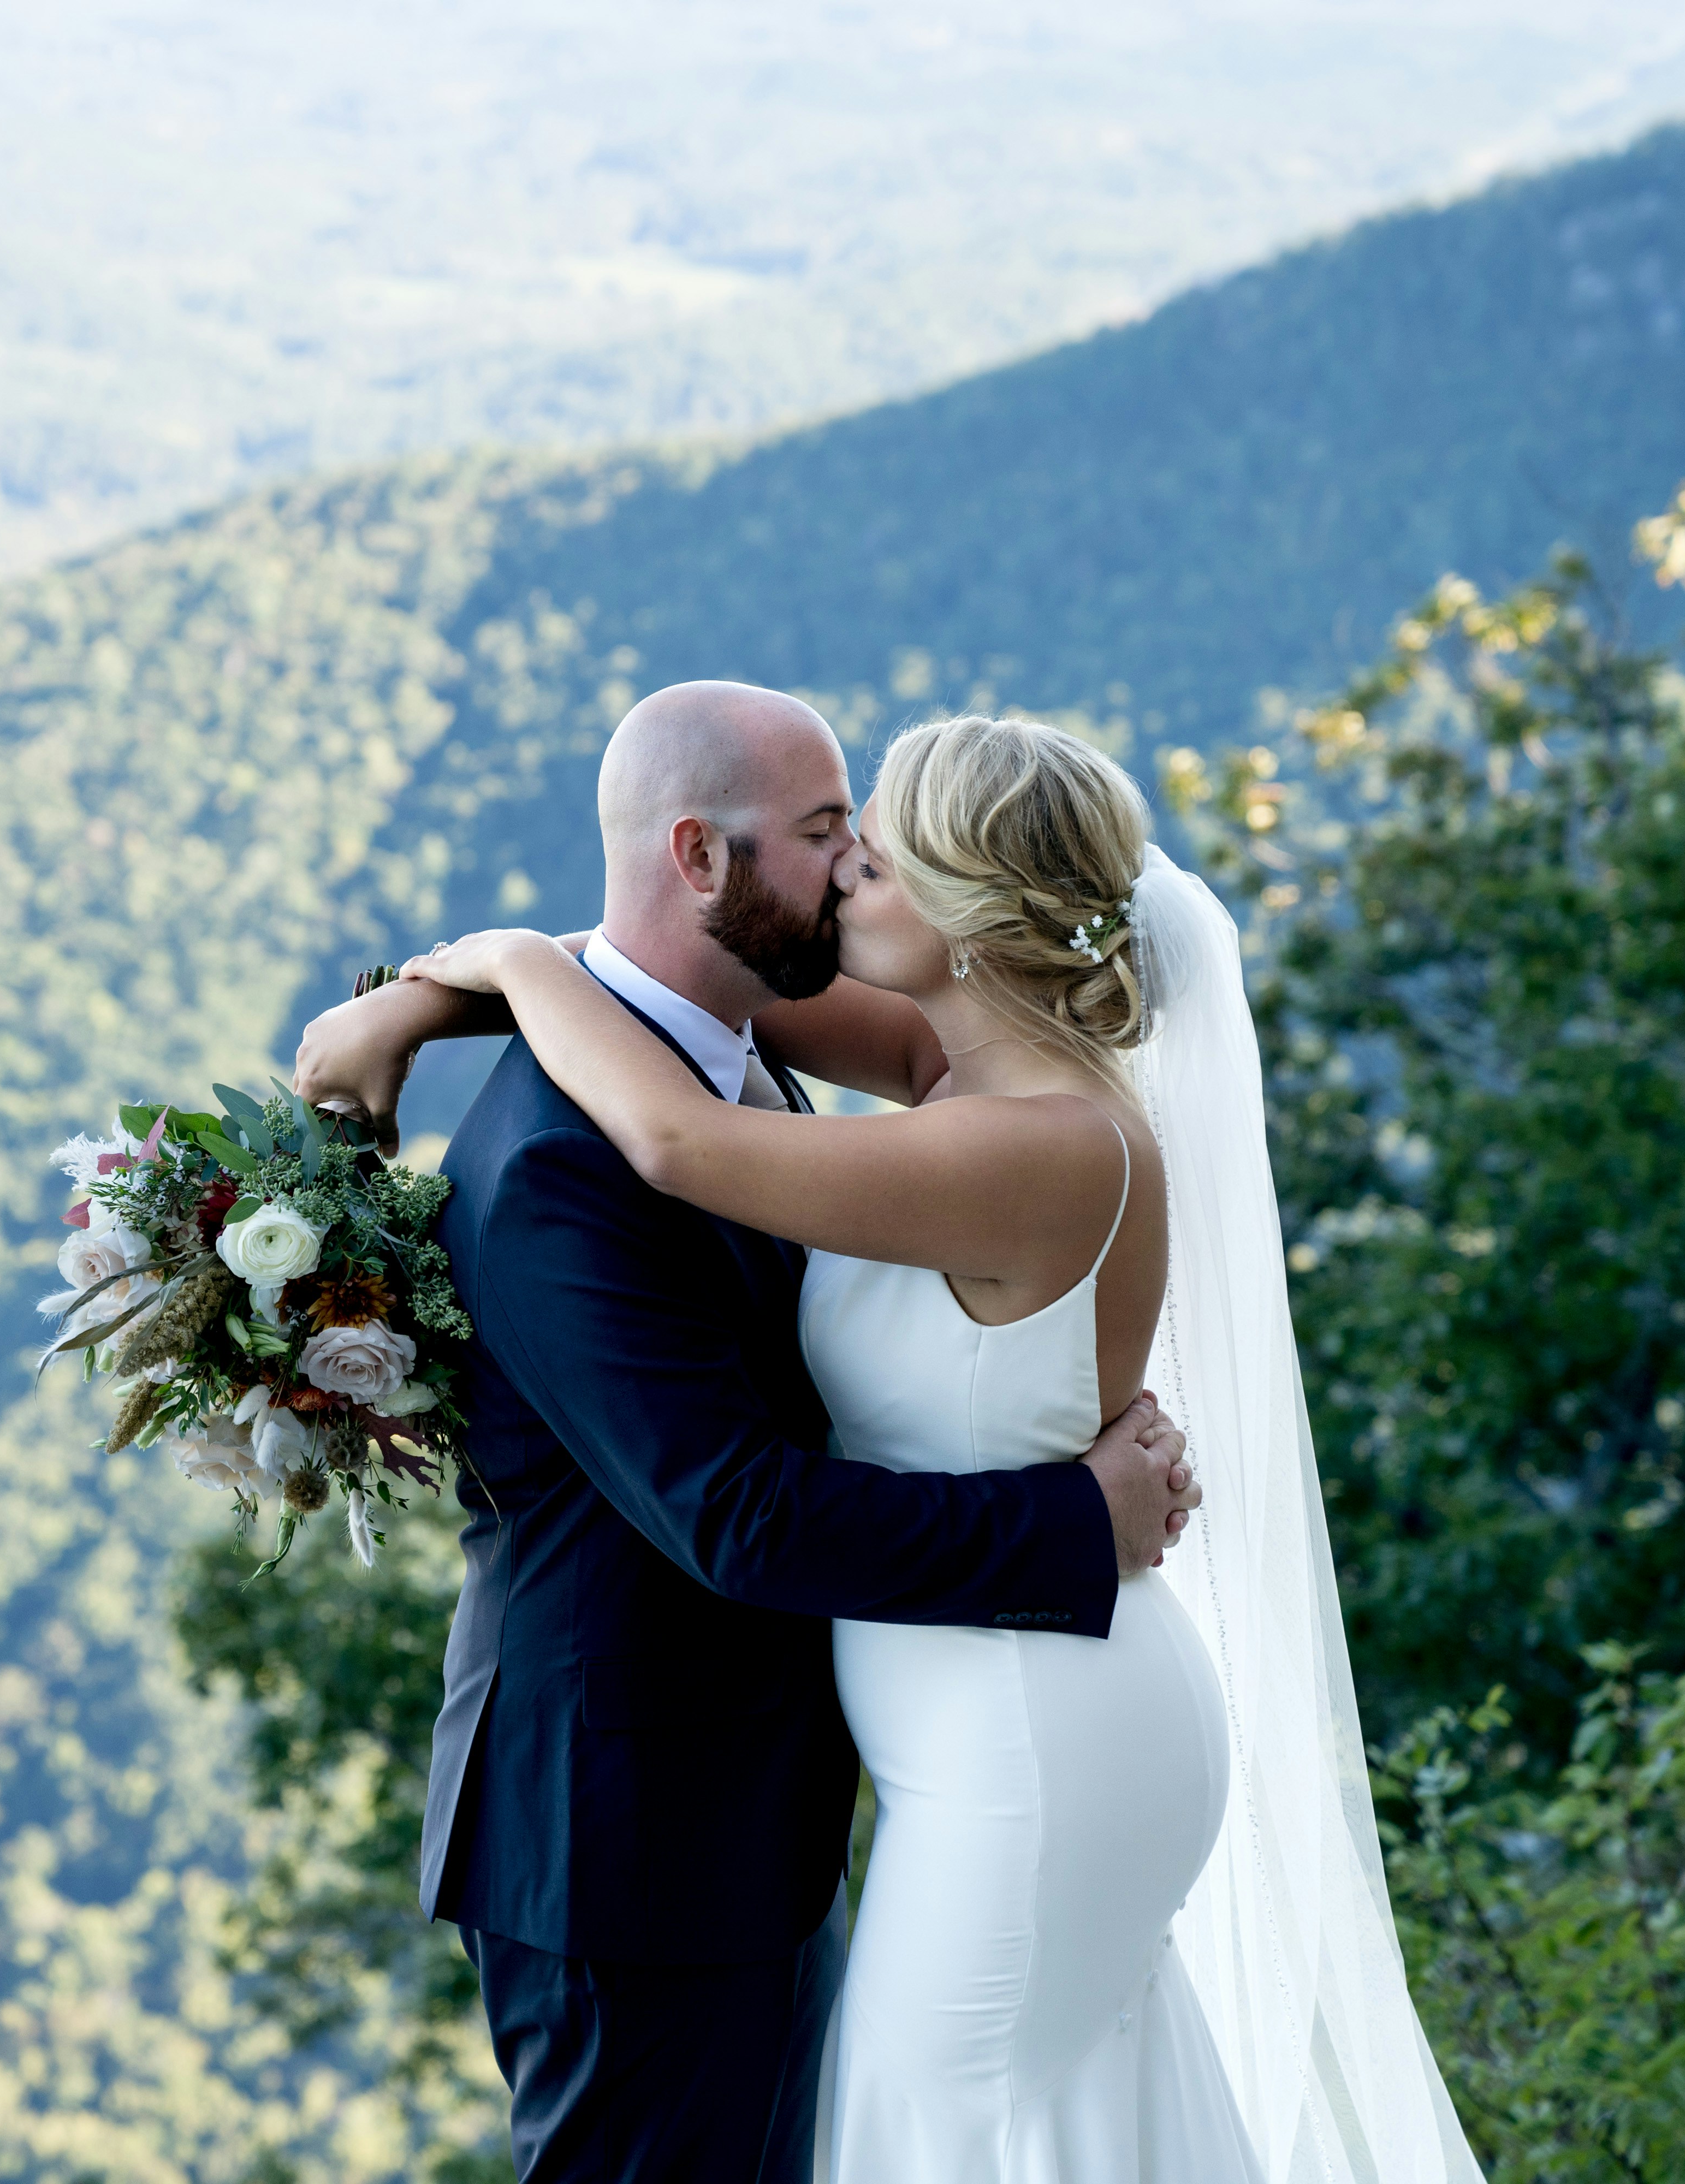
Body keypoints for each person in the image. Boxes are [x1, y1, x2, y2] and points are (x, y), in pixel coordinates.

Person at [307, 692, 1485, 2181]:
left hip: (1013, 1724)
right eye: (829, 837)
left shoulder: (1003, 1125)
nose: (853, 864)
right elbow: (677, 1002)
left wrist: (510, 963)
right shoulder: (926, 1076)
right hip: (683, 1807)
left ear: (978, 921)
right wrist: (444, 989)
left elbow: (682, 1131)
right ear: (705, 856)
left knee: (956, 2137)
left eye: (873, 846)